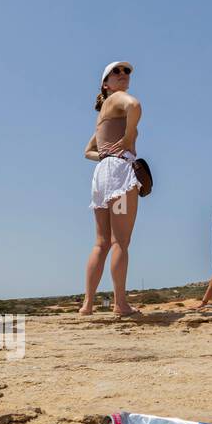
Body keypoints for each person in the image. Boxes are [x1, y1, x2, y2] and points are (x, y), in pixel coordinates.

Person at [80, 61, 143, 317]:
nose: (123, 74)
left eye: (127, 71)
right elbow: (136, 106)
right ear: (106, 84)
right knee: (121, 241)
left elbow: (87, 152)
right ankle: (120, 304)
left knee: (101, 243)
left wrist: (107, 156)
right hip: (118, 173)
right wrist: (127, 141)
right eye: (116, 72)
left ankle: (87, 305)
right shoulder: (118, 98)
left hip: (102, 174)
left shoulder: (102, 112)